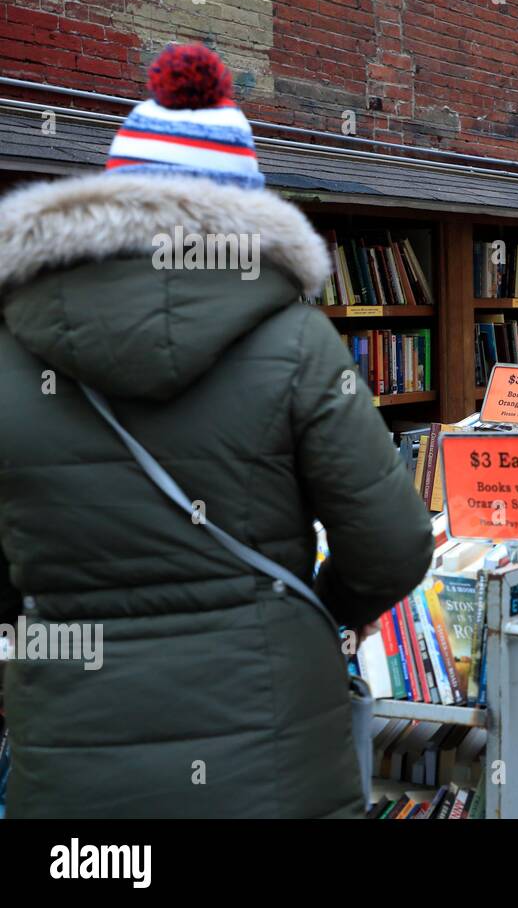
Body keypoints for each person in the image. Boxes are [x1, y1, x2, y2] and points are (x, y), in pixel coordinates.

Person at [0, 45, 433, 817]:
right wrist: (317, 607)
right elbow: (393, 543)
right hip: (271, 751)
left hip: (76, 756)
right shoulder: (297, 344)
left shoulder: (11, 352)